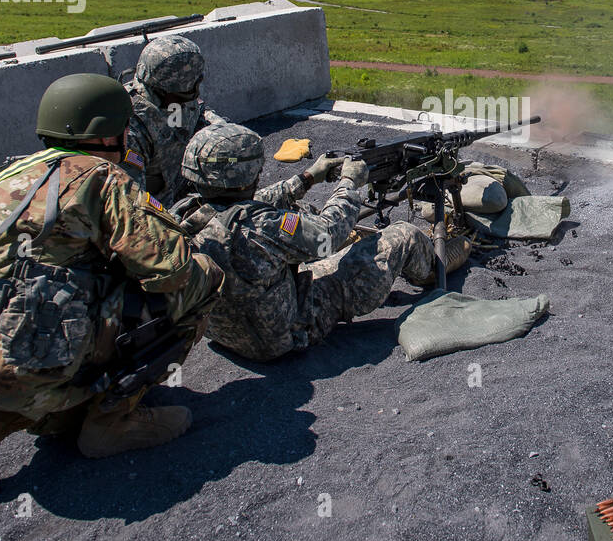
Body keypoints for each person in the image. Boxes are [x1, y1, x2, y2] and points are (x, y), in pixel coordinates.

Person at [0, 73, 224, 500]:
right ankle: (111, 419)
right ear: (107, 132)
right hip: (39, 348)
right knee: (202, 278)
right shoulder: (103, 178)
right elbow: (170, 269)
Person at [170, 123, 463, 362]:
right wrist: (349, 184)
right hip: (287, 331)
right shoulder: (262, 228)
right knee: (404, 235)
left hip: (227, 332)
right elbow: (325, 234)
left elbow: (241, 207)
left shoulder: (182, 214)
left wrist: (306, 178)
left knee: (302, 216)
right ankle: (437, 265)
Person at [122, 34, 228, 205]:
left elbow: (198, 114)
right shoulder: (131, 128)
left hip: (181, 189)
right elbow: (133, 201)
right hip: (157, 212)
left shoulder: (173, 99)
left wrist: (227, 134)